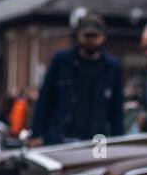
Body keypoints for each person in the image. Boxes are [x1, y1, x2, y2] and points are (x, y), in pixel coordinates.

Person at [29, 12, 124, 146]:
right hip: (59, 137)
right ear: (79, 35)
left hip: (96, 141)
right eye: (87, 36)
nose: (90, 40)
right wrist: (36, 134)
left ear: (103, 37)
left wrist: (118, 143)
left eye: (94, 36)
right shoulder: (61, 61)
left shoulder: (113, 67)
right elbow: (45, 98)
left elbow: (116, 110)